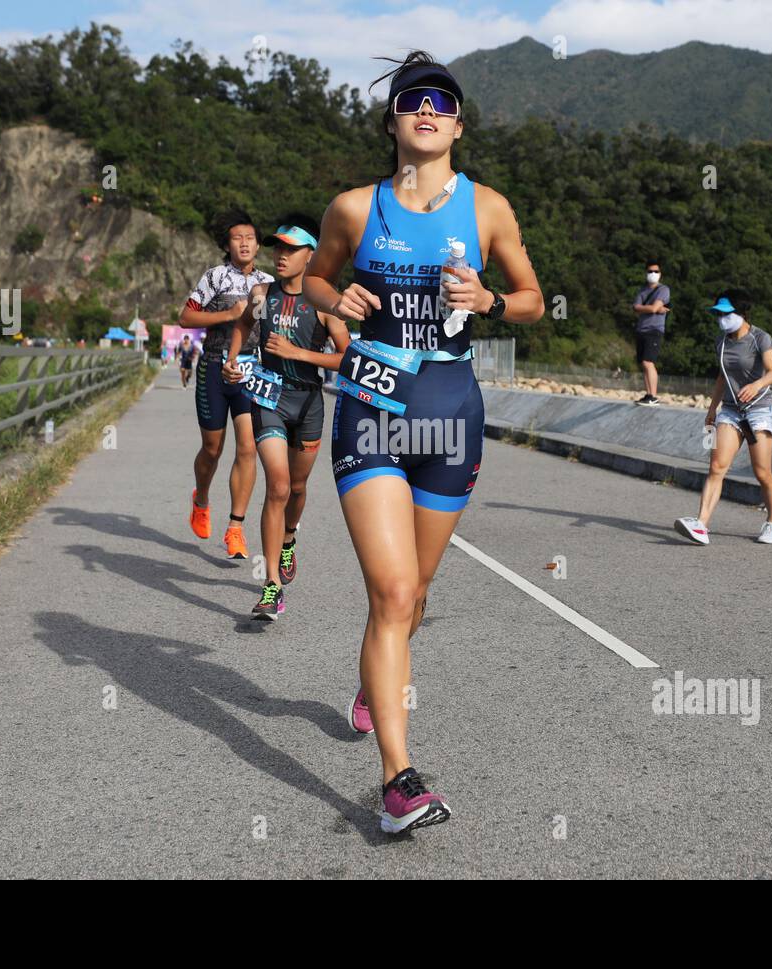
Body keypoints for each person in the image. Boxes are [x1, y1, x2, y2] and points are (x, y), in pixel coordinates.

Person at [303, 51, 543, 834]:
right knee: (394, 593)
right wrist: (337, 297)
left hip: (450, 412)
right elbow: (311, 281)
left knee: (416, 592)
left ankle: (374, 679)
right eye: (414, 101)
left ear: (460, 124)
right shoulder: (352, 207)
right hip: (371, 409)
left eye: (443, 101)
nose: (428, 110)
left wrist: (492, 299)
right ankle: (398, 783)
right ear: (394, 121)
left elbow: (536, 300)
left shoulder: (489, 210)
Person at [222, 214, 351, 620]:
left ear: (310, 256)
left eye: (291, 250)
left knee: (296, 488)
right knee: (277, 486)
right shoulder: (262, 295)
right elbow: (242, 325)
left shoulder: (326, 302)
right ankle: (272, 585)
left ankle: (290, 537)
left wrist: (300, 354)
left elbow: (349, 358)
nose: (280, 256)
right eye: (277, 247)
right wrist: (232, 360)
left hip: (309, 403)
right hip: (270, 398)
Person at [180, 210, 274, 559]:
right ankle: (201, 499)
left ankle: (236, 527)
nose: (245, 243)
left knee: (248, 448)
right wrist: (228, 314)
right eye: (237, 238)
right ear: (227, 244)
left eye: (250, 237)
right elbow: (186, 317)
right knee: (213, 449)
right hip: (214, 366)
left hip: (253, 371)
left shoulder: (267, 283)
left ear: (259, 244)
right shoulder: (214, 277)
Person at [674, 292, 772, 546]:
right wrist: (712, 408)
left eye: (726, 313)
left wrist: (756, 385)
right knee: (716, 467)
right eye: (718, 314)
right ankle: (701, 524)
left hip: (759, 410)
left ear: (741, 313)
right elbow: (723, 376)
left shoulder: (760, 337)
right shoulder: (721, 341)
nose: (721, 319)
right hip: (731, 410)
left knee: (762, 472)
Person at [631, 261, 670, 406]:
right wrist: (653, 308)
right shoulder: (642, 290)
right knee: (643, 362)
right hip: (641, 329)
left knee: (649, 362)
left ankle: (653, 395)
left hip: (654, 330)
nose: (652, 274)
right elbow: (636, 307)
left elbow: (652, 308)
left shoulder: (664, 290)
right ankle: (648, 393)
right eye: (650, 271)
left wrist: (646, 308)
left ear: (660, 273)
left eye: (656, 271)